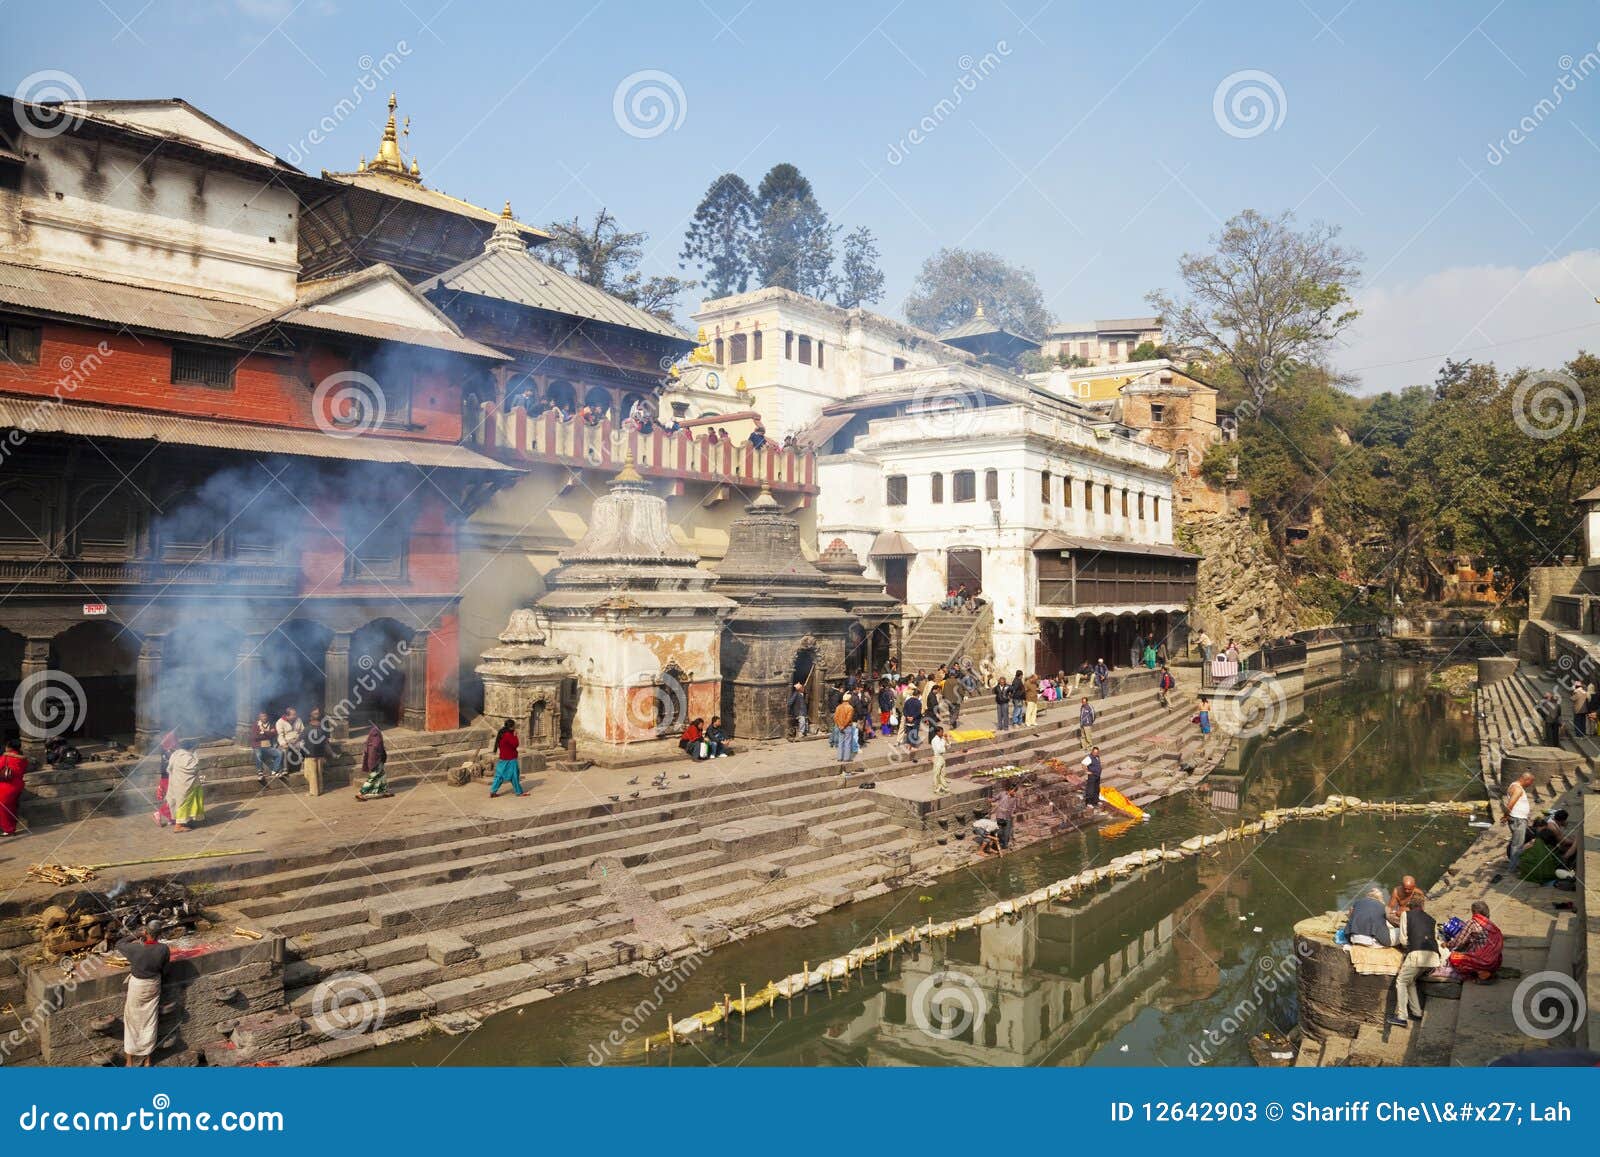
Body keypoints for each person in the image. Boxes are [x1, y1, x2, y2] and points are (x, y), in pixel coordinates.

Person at [117, 920, 169, 1067]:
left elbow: (119, 943)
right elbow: (165, 971)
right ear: (160, 934)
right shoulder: (164, 949)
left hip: (137, 986)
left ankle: (129, 1061)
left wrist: (136, 934)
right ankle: (147, 1060)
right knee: (150, 1021)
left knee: (132, 1022)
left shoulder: (135, 949)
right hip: (153, 985)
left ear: (146, 933)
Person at [1390, 893, 1440, 1026]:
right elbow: (1435, 938)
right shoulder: (1432, 919)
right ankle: (1417, 1012)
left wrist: (1410, 946)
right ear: (1422, 906)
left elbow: (1403, 940)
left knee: (1400, 981)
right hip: (1433, 957)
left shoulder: (1406, 915)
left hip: (1417, 954)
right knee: (1410, 981)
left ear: (1409, 906)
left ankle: (1401, 1016)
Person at [1443, 900, 1504, 981]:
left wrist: (1447, 944)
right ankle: (1484, 970)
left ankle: (1480, 971)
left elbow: (1458, 941)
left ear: (1474, 912)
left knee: (1453, 958)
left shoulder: (1472, 923)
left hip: (1484, 962)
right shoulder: (1490, 924)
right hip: (1495, 962)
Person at [166, 738, 203, 833]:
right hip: (185, 785)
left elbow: (169, 768)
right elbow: (194, 768)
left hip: (176, 783)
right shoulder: (188, 757)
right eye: (194, 748)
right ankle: (178, 826)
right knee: (184, 804)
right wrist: (195, 755)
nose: (195, 750)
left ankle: (182, 821)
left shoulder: (175, 754)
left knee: (178, 802)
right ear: (191, 748)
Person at [1503, 771, 1533, 871]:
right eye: (1530, 782)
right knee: (1517, 845)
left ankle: (1514, 864)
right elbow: (1510, 803)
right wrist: (1505, 815)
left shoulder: (1513, 785)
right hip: (1518, 820)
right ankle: (1513, 868)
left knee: (1516, 843)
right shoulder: (1518, 789)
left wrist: (1507, 816)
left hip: (1516, 818)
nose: (1530, 784)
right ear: (1526, 779)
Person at [489, 718, 525, 797]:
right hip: (510, 759)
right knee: (515, 776)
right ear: (511, 727)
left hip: (503, 758)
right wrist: (515, 736)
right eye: (514, 726)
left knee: (499, 776)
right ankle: (519, 792)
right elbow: (515, 744)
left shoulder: (502, 733)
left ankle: (493, 791)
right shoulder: (508, 735)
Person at [355, 723, 390, 800]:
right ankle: (361, 792)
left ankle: (384, 791)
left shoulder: (372, 735)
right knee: (373, 776)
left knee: (382, 774)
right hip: (376, 760)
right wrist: (380, 753)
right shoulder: (376, 734)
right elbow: (377, 746)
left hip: (375, 759)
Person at [0, 737, 25, 838]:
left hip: (7, 786)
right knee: (12, 807)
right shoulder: (22, 758)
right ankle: (12, 827)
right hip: (18, 785)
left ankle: (8, 829)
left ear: (9, 747)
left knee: (2, 807)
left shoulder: (5, 758)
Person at [303, 708, 331, 797]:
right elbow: (326, 741)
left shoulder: (307, 729)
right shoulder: (322, 729)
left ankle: (314, 792)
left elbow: (302, 740)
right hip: (320, 753)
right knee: (318, 773)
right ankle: (320, 790)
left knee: (310, 774)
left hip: (311, 755)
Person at [153, 728, 177, 827]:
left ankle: (171, 817)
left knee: (171, 797)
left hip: (168, 774)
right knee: (173, 796)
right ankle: (159, 813)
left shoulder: (168, 740)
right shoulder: (168, 745)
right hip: (168, 775)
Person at [275, 706, 304, 782]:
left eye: (295, 714)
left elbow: (302, 731)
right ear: (287, 715)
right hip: (287, 741)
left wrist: (298, 739)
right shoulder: (280, 722)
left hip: (297, 740)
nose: (295, 716)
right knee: (284, 749)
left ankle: (304, 767)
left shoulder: (298, 720)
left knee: (305, 745)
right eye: (293, 714)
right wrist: (283, 743)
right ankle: (285, 769)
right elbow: (280, 735)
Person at [251, 711, 280, 786]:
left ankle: (275, 770)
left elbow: (274, 733)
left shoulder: (271, 724)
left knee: (279, 753)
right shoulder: (256, 725)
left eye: (265, 716)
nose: (264, 718)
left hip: (268, 747)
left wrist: (263, 732)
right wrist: (268, 733)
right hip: (258, 746)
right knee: (258, 754)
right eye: (262, 716)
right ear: (259, 717)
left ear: (267, 717)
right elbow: (255, 737)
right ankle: (260, 772)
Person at [991, 783, 1018, 850]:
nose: (1014, 793)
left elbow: (1014, 807)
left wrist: (1013, 812)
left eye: (1015, 791)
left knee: (1007, 832)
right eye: (1014, 791)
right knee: (999, 831)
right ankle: (997, 844)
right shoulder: (1002, 794)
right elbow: (995, 799)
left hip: (1008, 816)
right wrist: (990, 800)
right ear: (1009, 790)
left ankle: (1005, 845)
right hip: (1000, 815)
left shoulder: (1014, 798)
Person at [833, 696, 857, 766]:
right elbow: (848, 718)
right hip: (847, 727)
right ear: (849, 700)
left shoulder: (838, 707)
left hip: (840, 727)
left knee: (840, 742)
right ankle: (846, 758)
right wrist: (843, 726)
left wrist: (839, 725)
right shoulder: (850, 707)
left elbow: (835, 717)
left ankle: (839, 757)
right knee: (847, 742)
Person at [930, 726, 949, 796]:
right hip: (937, 757)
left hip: (942, 757)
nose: (943, 733)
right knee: (936, 774)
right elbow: (939, 750)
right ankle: (936, 789)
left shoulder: (942, 739)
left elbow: (949, 746)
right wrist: (944, 747)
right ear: (937, 732)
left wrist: (946, 739)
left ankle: (944, 787)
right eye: (941, 732)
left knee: (943, 773)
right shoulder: (935, 740)